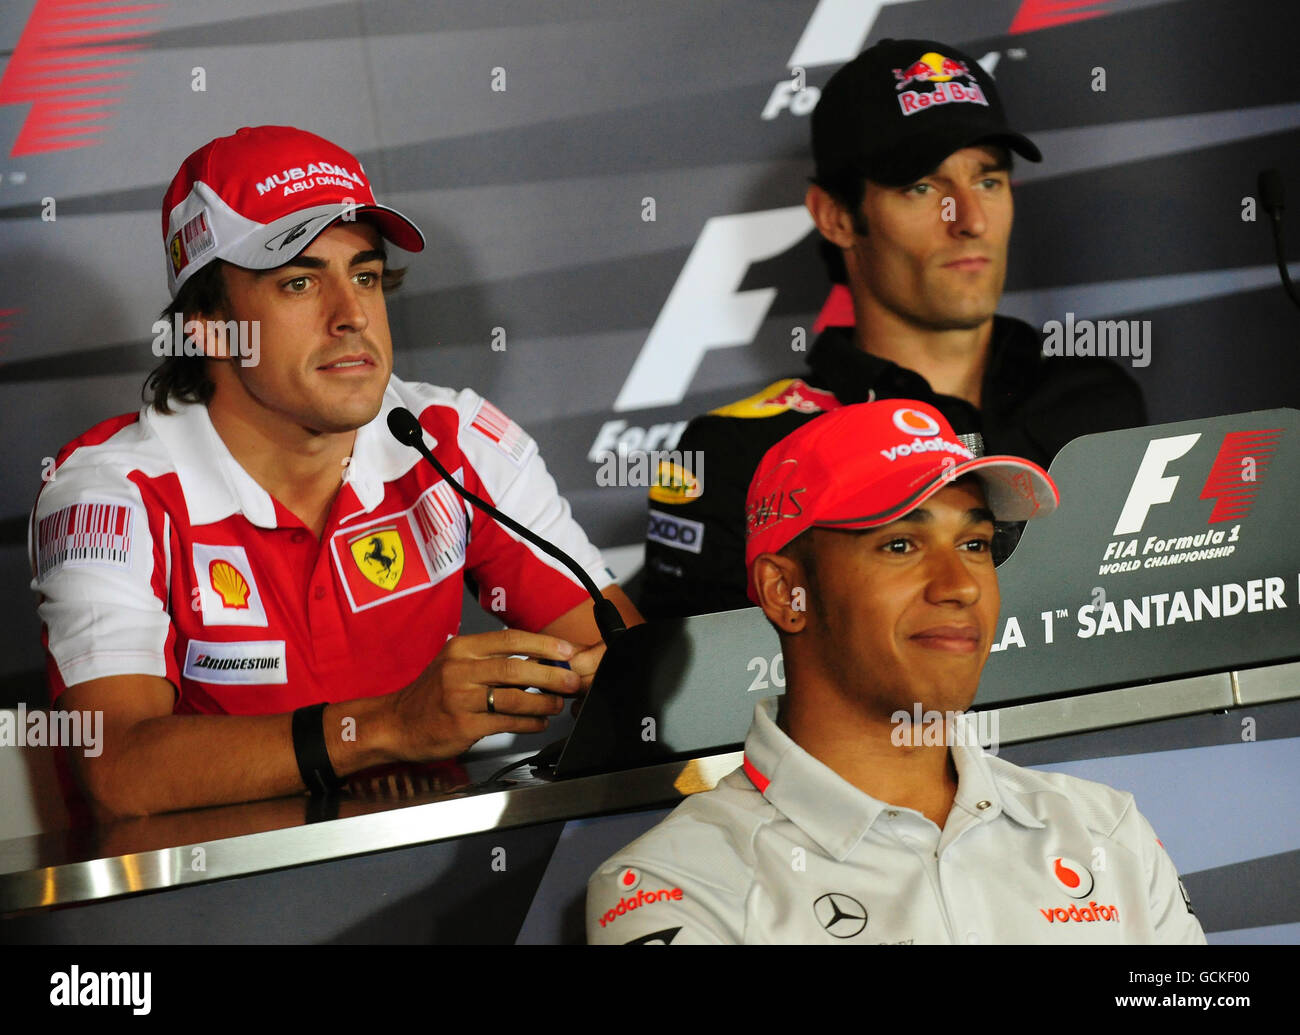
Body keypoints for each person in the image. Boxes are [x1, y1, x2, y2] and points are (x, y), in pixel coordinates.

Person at [30, 125, 639, 818]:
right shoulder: (112, 494)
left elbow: (629, 659)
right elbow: (122, 770)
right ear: (207, 323)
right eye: (299, 282)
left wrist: (606, 673)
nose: (352, 316)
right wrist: (387, 729)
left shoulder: (452, 439)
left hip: (451, 880)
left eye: (367, 276)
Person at [589, 400, 1203, 944]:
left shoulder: (1106, 828)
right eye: (901, 546)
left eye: (975, 545)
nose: (960, 586)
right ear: (784, 591)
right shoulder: (675, 886)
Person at [639, 38, 1146, 619]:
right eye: (922, 188)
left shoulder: (1098, 405)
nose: (971, 221)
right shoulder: (742, 451)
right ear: (836, 216)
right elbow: (700, 700)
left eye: (988, 181)